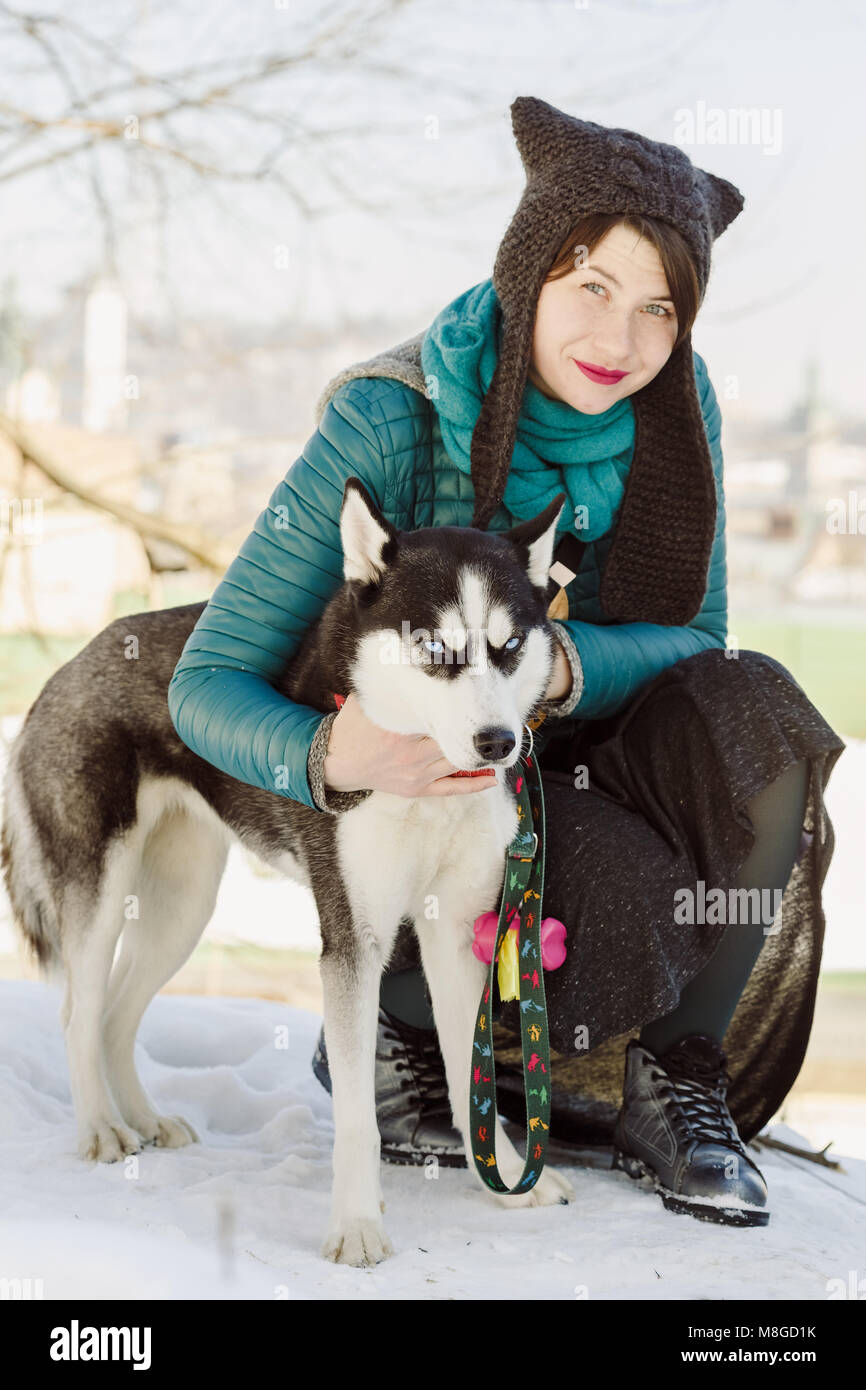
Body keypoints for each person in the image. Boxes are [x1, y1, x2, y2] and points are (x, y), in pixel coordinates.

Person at [168, 97, 846, 1228]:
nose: (621, 342)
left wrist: (564, 665)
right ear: (527, 271)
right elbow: (204, 680)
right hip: (427, 780)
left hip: (570, 737)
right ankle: (397, 1047)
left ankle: (671, 1081)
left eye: (657, 308)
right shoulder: (393, 418)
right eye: (590, 287)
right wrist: (337, 750)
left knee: (757, 716)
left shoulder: (680, 416)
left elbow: (698, 635)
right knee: (524, 860)